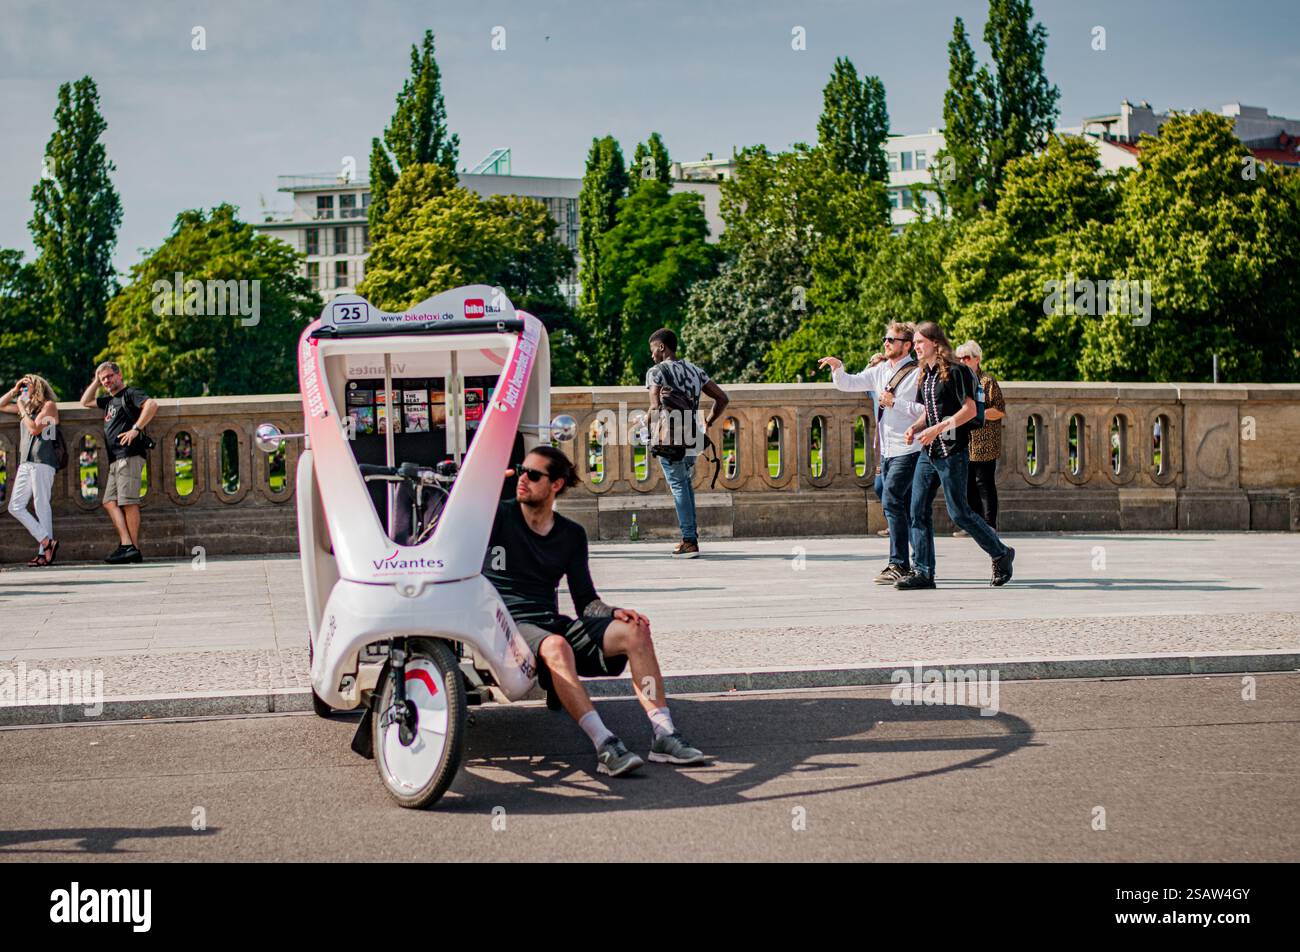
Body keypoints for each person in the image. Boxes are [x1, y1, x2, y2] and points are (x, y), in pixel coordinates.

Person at [484, 444, 709, 777]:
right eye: (521, 471)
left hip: (548, 623)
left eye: (533, 474)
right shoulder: (497, 518)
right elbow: (450, 515)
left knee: (635, 631)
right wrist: (483, 486)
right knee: (556, 646)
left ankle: (663, 734)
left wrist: (613, 612)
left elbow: (585, 602)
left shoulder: (571, 535)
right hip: (507, 625)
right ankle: (604, 744)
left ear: (556, 484)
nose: (522, 479)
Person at [899, 322, 1015, 590]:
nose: (915, 346)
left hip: (953, 451)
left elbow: (970, 411)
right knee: (917, 509)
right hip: (930, 452)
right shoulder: (925, 375)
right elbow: (930, 410)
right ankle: (924, 572)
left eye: (919, 342)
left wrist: (938, 428)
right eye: (914, 342)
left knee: (959, 512)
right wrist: (916, 427)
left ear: (935, 343)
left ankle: (1000, 552)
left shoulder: (956, 371)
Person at [818, 321, 925, 584]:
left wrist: (894, 403)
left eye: (892, 340)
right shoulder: (879, 371)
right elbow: (849, 383)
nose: (886, 343)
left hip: (910, 447)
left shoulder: (918, 373)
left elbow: (927, 412)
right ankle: (920, 564)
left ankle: (899, 563)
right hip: (887, 449)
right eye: (885, 339)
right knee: (910, 508)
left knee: (891, 500)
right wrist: (838, 368)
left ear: (907, 345)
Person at [645, 328, 729, 559]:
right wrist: (708, 422)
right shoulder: (695, 370)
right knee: (685, 483)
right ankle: (690, 537)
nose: (652, 355)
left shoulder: (656, 372)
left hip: (670, 436)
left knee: (679, 485)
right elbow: (722, 398)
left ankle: (689, 541)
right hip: (692, 433)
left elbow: (654, 407)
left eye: (653, 350)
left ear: (661, 347)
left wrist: (642, 424)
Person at [80, 361, 158, 564]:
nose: (106, 381)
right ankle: (127, 545)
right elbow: (85, 402)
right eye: (103, 378)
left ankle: (133, 548)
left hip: (130, 454)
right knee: (109, 502)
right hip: (115, 459)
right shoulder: (108, 401)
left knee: (128, 502)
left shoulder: (130, 393)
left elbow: (152, 405)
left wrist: (136, 429)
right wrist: (96, 381)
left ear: (119, 375)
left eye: (109, 376)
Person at [1, 374, 61, 565]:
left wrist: (20, 408)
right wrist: (14, 390)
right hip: (27, 461)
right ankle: (46, 542)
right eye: (24, 386)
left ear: (39, 387)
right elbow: (0, 405)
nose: (25, 389)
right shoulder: (27, 408)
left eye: (28, 385)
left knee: (41, 504)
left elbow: (35, 429)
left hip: (43, 459)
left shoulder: (49, 405)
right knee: (15, 506)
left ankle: (44, 553)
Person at [955, 340, 1006, 532]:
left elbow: (999, 410)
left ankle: (989, 524)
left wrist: (977, 414)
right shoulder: (957, 382)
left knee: (984, 483)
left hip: (984, 441)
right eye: (959, 358)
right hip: (963, 441)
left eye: (966, 357)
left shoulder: (987, 382)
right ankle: (973, 525)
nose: (962, 361)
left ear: (977, 359)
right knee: (967, 484)